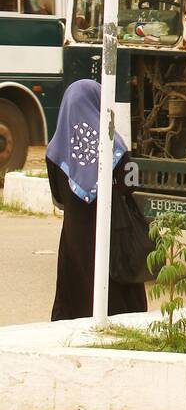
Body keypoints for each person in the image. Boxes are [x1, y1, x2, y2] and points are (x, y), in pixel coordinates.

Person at [46, 79, 147, 321]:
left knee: (76, 288)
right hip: (113, 230)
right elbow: (131, 185)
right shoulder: (116, 149)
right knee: (117, 294)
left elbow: (58, 198)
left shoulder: (55, 152)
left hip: (74, 235)